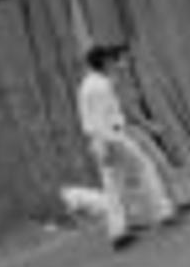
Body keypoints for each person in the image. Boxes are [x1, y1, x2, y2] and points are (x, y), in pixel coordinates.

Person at [75, 44, 183, 247]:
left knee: (113, 185)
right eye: (108, 59)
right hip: (112, 136)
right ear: (104, 62)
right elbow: (101, 118)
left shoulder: (86, 85)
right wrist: (108, 143)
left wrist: (100, 142)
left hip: (99, 138)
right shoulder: (100, 86)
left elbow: (90, 121)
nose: (111, 62)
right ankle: (163, 212)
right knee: (145, 168)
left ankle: (118, 231)